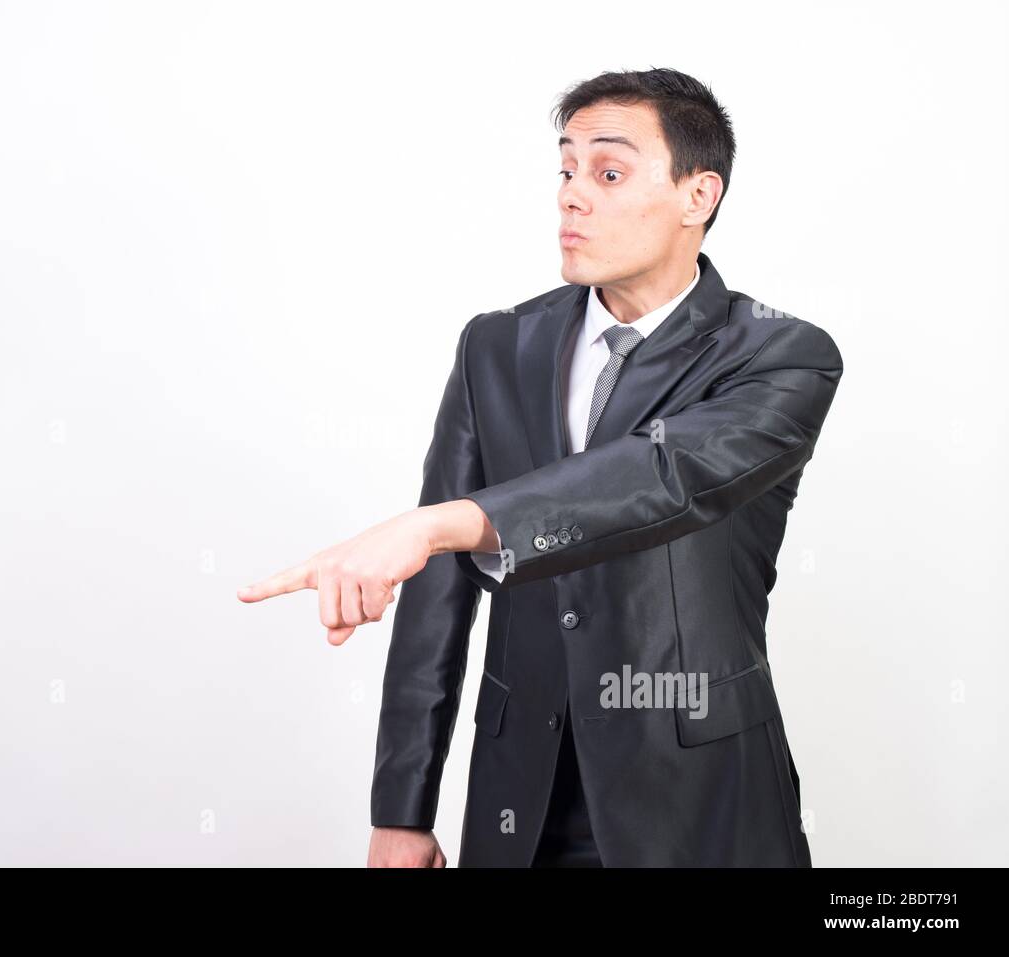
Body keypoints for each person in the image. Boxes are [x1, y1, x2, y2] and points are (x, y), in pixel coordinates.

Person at [239, 67, 843, 867]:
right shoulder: (497, 345)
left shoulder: (779, 354)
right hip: (521, 786)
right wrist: (401, 807)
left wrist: (439, 523)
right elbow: (438, 588)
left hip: (697, 792)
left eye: (610, 171)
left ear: (699, 195)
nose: (571, 195)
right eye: (566, 169)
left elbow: (662, 479)